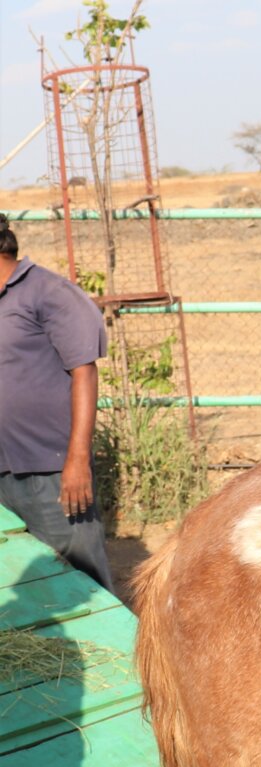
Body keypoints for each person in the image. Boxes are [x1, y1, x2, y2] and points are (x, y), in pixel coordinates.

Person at [0, 213, 114, 592]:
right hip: (3, 466)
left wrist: (77, 460)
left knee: (79, 574)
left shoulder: (47, 291)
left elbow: (84, 371)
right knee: (22, 578)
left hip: (51, 467)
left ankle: (109, 652)